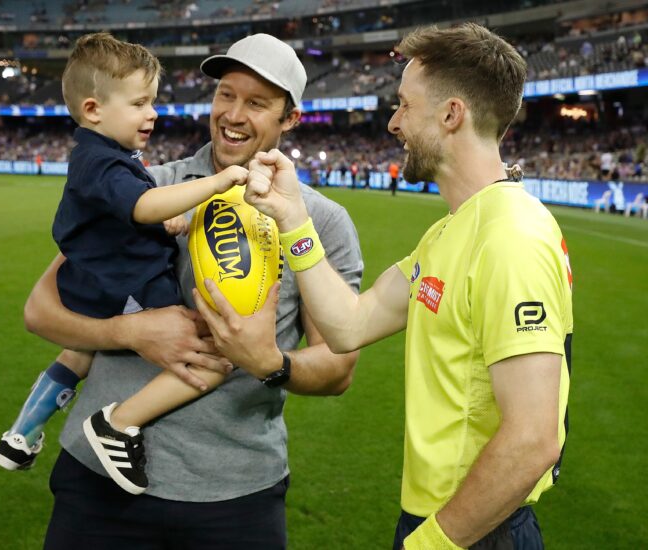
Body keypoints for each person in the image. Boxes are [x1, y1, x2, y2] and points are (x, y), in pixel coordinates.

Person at [23, 33, 364, 548]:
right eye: (226, 94)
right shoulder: (149, 185)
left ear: (290, 118)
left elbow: (337, 369)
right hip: (98, 487)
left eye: (256, 103)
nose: (233, 113)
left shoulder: (324, 222)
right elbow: (41, 311)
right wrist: (129, 331)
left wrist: (269, 361)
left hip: (236, 495)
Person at [241, 23, 573, 550]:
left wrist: (429, 544)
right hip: (445, 521)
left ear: (451, 114)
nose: (393, 122)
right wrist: (292, 218)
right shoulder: (451, 230)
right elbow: (349, 324)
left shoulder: (510, 235)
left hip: (474, 531)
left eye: (404, 106)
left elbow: (534, 440)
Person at [0, 32, 252, 496]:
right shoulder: (103, 162)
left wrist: (164, 223)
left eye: (151, 102)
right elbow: (142, 205)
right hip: (127, 285)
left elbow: (136, 214)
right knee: (217, 355)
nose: (152, 113)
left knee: (79, 351)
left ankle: (21, 434)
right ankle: (119, 424)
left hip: (90, 282)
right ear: (94, 110)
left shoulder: (99, 157)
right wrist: (219, 182)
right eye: (139, 104)